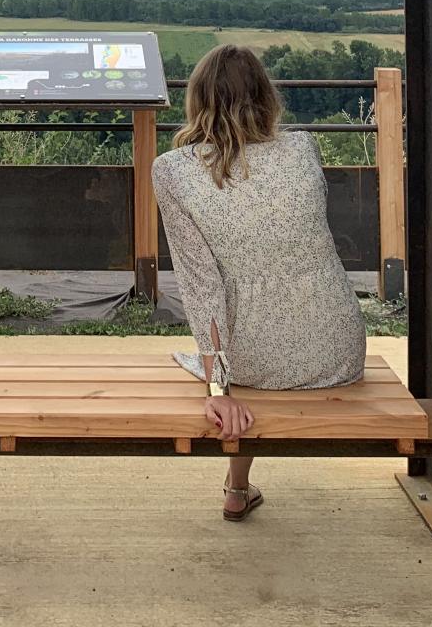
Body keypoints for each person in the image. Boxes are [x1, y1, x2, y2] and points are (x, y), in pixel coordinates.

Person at [153, 44, 367, 522]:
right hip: (336, 349)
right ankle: (237, 487)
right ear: (266, 96)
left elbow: (202, 288)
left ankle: (237, 488)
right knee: (267, 329)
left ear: (197, 99)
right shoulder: (303, 148)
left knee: (243, 344)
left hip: (253, 359)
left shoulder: (173, 171)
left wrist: (217, 390)